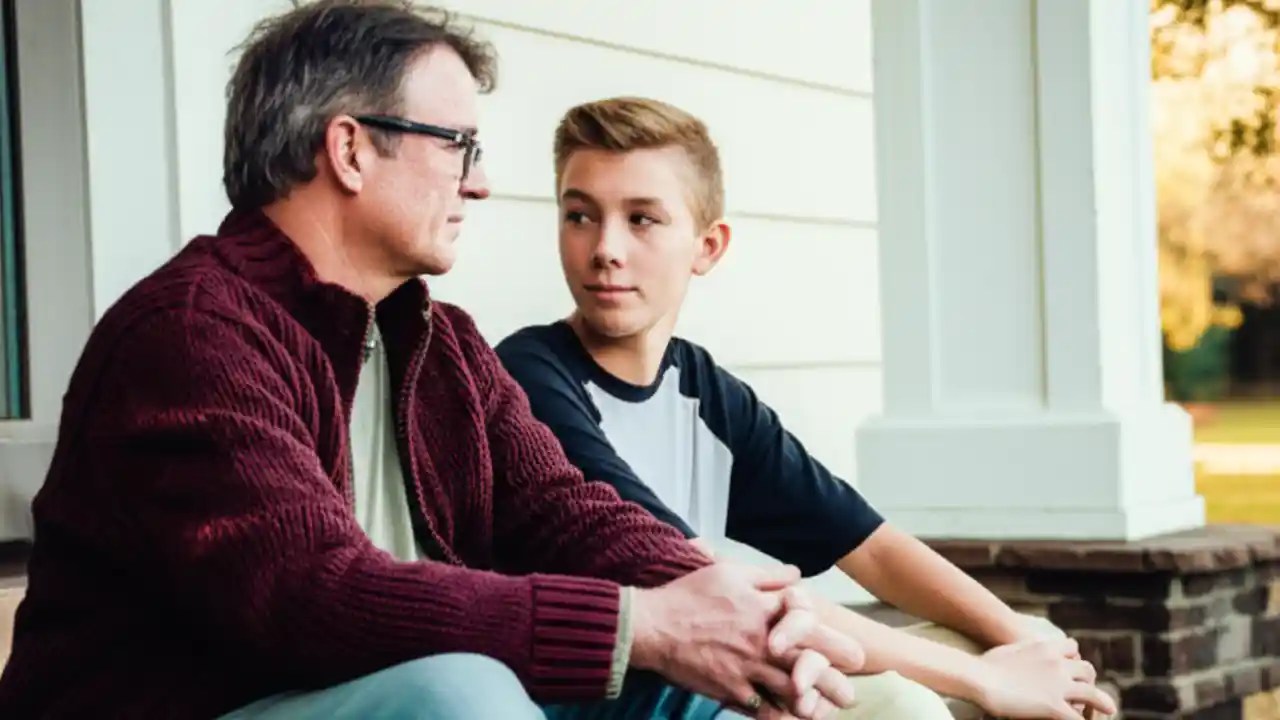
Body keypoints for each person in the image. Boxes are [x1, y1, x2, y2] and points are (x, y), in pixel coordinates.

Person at [0, 3, 868, 719]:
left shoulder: (441, 342)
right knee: (465, 696)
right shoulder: (191, 334)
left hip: (369, 691)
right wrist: (642, 624)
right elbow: (311, 594)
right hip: (215, 702)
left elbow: (564, 512)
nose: (478, 183)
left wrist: (730, 605)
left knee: (694, 676)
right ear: (350, 149)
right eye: (458, 145)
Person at [494, 95, 1120, 720]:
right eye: (580, 216)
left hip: (725, 668)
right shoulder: (528, 379)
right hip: (606, 695)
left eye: (641, 219)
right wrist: (986, 680)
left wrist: (1032, 650)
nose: (605, 248)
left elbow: (872, 548)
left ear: (708, 246)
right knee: (905, 705)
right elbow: (728, 599)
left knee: (1026, 644)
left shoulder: (702, 392)